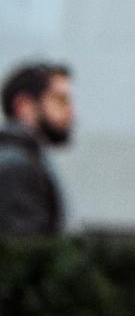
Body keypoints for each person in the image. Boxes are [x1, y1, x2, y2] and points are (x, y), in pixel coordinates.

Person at [0, 61, 73, 238]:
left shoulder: (27, 159)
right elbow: (23, 253)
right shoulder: (17, 166)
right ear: (23, 105)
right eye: (60, 100)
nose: (71, 112)